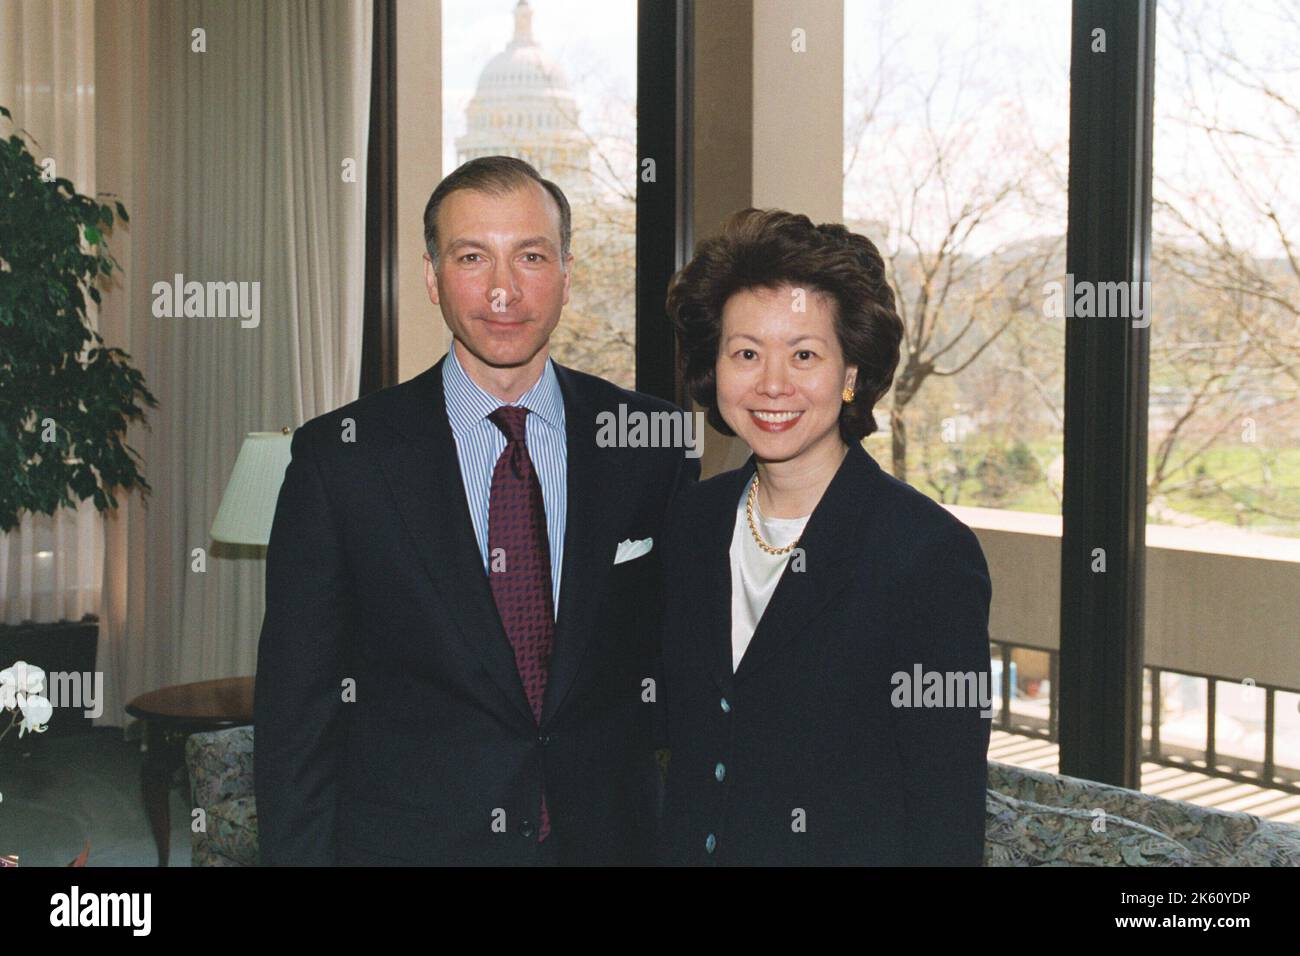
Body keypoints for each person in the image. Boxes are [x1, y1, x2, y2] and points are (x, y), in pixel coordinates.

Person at [255, 155, 698, 865]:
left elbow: (688, 669)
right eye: (471, 257)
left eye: (531, 256)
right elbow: (296, 712)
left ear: (566, 273)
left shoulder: (651, 442)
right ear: (432, 278)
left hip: (608, 841)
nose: (503, 289)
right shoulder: (341, 459)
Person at [656, 208, 992, 865]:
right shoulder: (692, 523)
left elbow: (945, 807)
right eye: (746, 353)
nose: (772, 383)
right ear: (714, 369)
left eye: (804, 355)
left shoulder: (926, 555)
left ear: (850, 375)